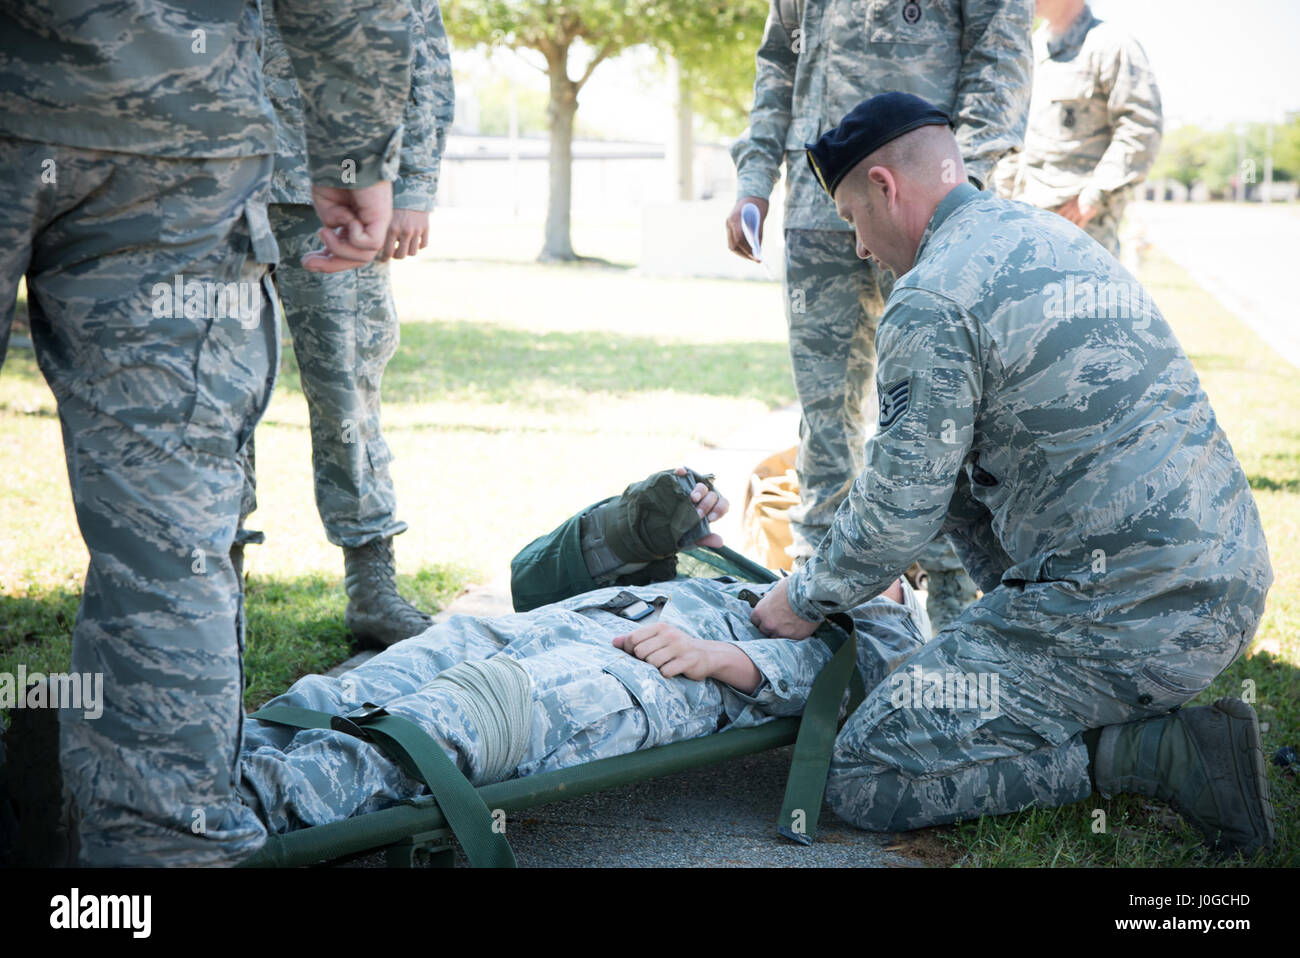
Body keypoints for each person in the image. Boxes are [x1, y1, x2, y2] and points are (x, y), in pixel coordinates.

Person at [751, 93, 1275, 855]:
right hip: (1225, 585)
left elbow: (898, 507)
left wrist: (803, 597)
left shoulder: (930, 299)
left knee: (862, 772)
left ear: (885, 187)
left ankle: (1158, 756)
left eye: (851, 217)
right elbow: (957, 487)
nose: (859, 245)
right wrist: (1000, 622)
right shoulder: (1050, 238)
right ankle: (1117, 706)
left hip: (1134, 616)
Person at [0, 0, 412, 866]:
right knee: (169, 536)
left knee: (178, 533)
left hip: (163, 134)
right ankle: (159, 861)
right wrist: (355, 152)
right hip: (178, 135)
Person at [236, 469, 928, 835]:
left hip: (634, 672)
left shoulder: (879, 628)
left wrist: (716, 658)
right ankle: (196, 766)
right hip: (568, 625)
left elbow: (846, 691)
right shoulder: (773, 575)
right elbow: (543, 572)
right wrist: (669, 522)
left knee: (445, 724)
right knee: (353, 688)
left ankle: (233, 816)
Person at [725, 0, 1035, 630]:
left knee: (946, 406)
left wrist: (956, 182)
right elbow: (778, 59)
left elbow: (1000, 56)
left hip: (924, 203)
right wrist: (755, 177)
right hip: (819, 210)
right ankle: (821, 607)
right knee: (824, 416)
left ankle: (956, 611)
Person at [237, 0, 456, 648]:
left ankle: (371, 587)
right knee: (209, 398)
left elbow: (418, 42)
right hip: (214, 184)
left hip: (333, 185)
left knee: (347, 397)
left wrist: (412, 184)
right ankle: (214, 584)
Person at [993, 0, 1162, 257]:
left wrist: (1094, 197)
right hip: (1022, 220)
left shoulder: (1112, 46)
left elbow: (1141, 129)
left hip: (1079, 230)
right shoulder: (1031, 48)